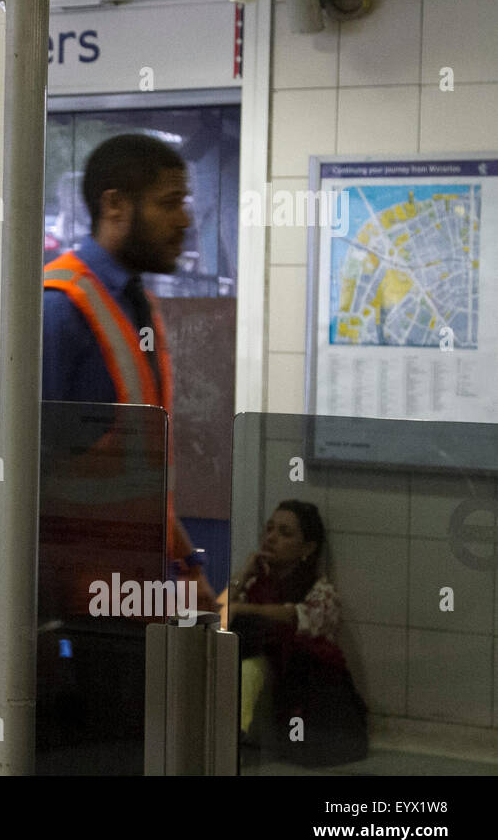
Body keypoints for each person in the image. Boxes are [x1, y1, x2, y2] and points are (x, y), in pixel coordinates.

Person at [41, 133, 214, 611]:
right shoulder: (60, 308)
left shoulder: (131, 302)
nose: (184, 220)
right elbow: (22, 478)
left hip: (132, 597)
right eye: (169, 203)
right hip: (75, 611)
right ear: (115, 205)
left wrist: (184, 564)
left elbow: (137, 476)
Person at [229, 500, 368, 766]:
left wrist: (243, 608)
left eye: (285, 533)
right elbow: (219, 615)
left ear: (307, 548)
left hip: (311, 698)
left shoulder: (322, 592)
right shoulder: (256, 583)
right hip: (269, 686)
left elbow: (294, 616)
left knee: (252, 657)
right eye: (269, 529)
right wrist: (244, 574)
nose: (271, 538)